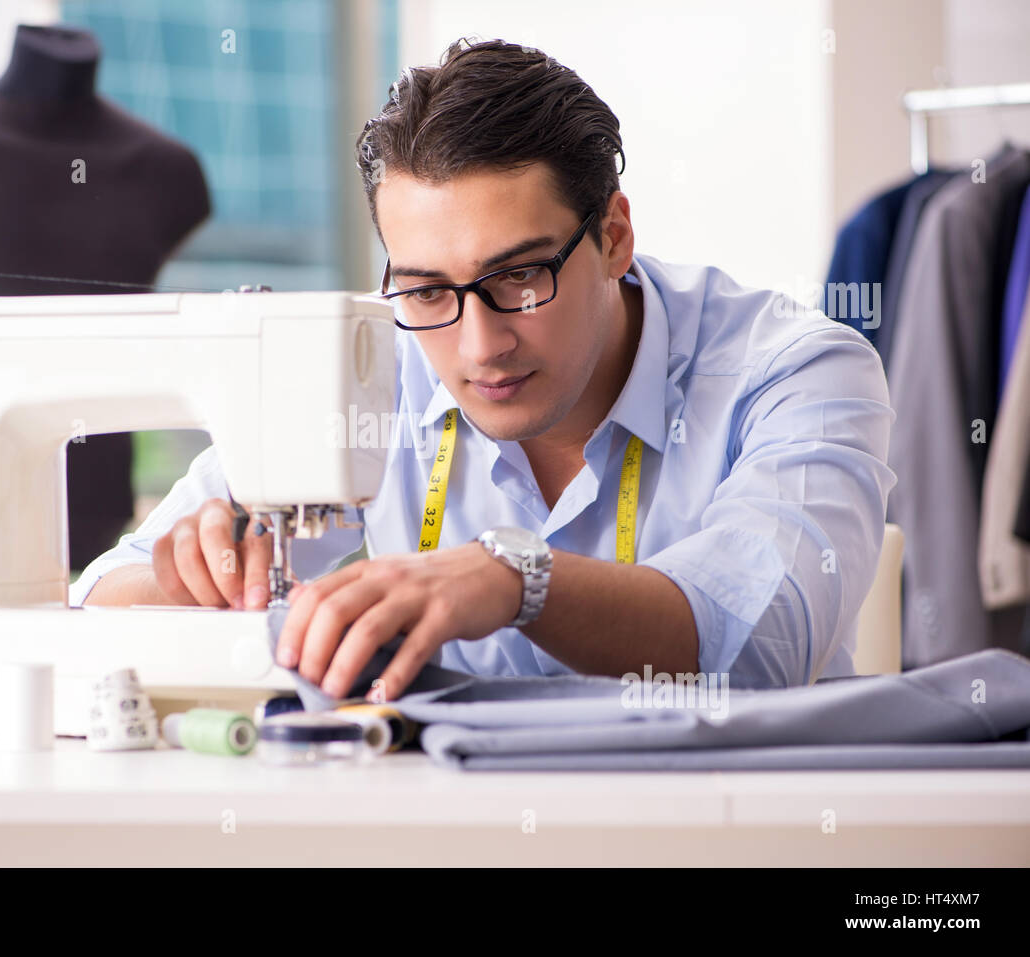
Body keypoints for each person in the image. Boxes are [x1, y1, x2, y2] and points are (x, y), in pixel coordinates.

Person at [72, 38, 895, 702]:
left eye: (518, 278)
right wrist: (192, 576)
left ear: (613, 236)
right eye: (428, 289)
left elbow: (755, 645)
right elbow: (104, 590)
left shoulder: (797, 373)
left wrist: (515, 578)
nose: (477, 346)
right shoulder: (367, 368)